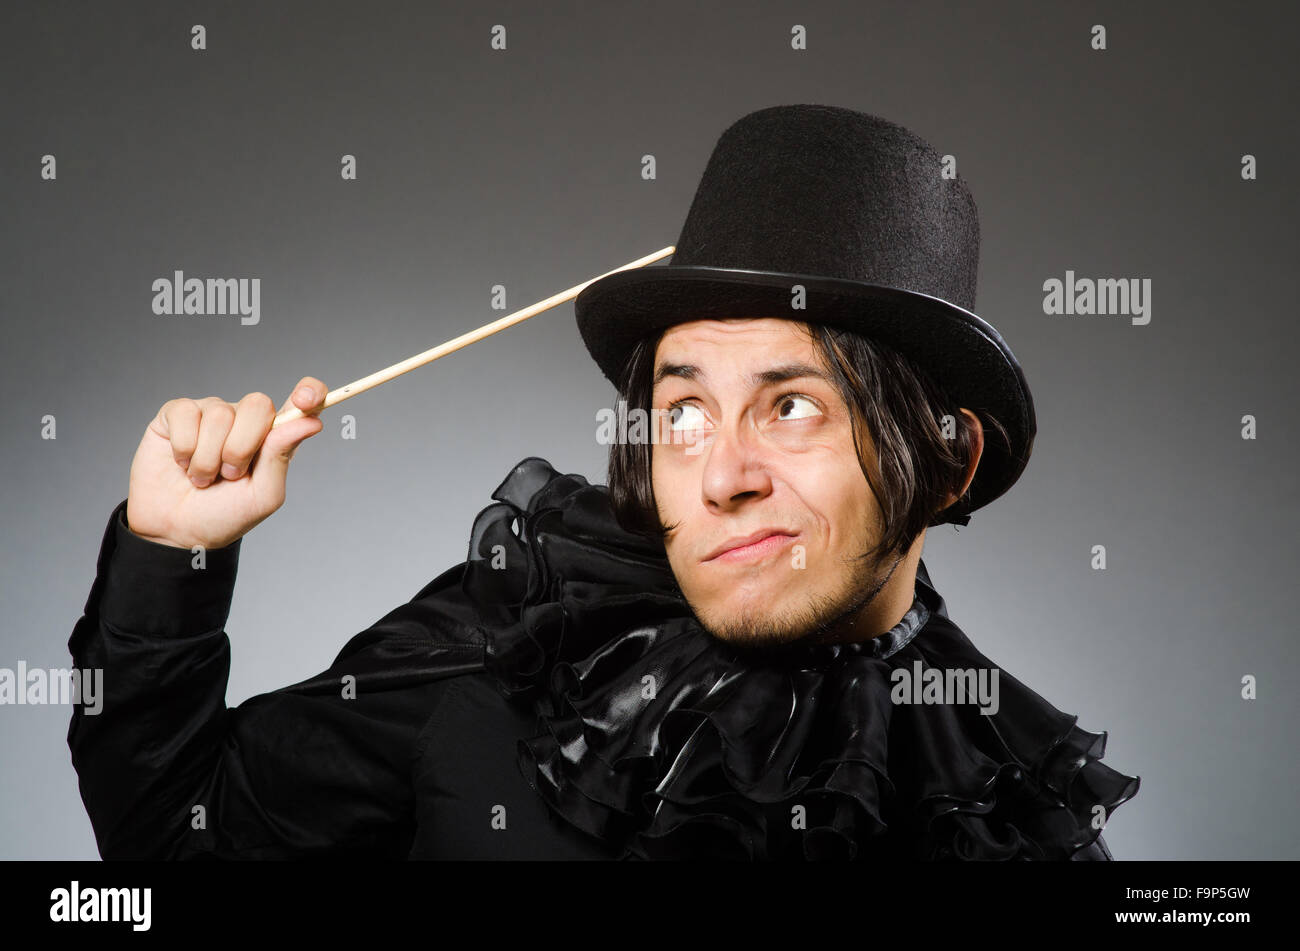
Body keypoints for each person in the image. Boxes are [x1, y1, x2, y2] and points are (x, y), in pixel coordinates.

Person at [67, 104, 1139, 860]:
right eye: (682, 411)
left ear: (950, 461)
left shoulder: (999, 794)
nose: (720, 475)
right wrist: (173, 555)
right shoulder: (523, 647)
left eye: (793, 405)